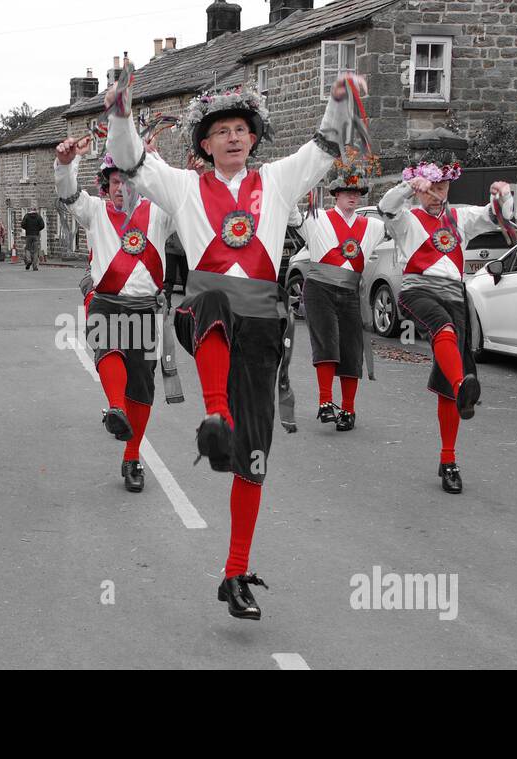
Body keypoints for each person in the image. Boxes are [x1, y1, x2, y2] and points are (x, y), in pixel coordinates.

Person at [105, 69, 360, 620]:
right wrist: (120, 114)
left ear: (254, 136)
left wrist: (339, 100)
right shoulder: (183, 186)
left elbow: (325, 145)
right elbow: (131, 161)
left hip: (264, 324)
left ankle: (235, 573)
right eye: (222, 130)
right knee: (214, 303)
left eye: (242, 128)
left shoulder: (280, 180)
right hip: (205, 313)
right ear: (204, 142)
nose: (234, 137)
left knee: (255, 455)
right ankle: (214, 416)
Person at [377, 154, 513, 495]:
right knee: (443, 331)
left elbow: (495, 216)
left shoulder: (460, 217)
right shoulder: (407, 219)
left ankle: (448, 459)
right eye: (430, 186)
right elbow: (386, 204)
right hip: (417, 288)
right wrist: (410, 186)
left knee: (448, 385)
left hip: (455, 294)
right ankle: (461, 383)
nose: (436, 192)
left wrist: (501, 195)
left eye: (442, 185)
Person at [56, 137, 174, 492]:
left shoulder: (159, 213)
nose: (122, 188)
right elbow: (67, 191)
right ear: (105, 186)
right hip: (107, 302)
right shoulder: (94, 210)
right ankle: (114, 407)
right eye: (115, 182)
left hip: (145, 308)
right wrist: (65, 163)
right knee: (107, 350)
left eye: (129, 180)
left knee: (142, 386)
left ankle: (131, 456)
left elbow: (183, 195)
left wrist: (157, 160)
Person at [294, 155, 386, 431]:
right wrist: (302, 180)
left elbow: (395, 217)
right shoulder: (316, 217)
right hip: (319, 289)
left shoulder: (373, 226)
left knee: (350, 349)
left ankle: (348, 409)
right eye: (347, 192)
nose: (352, 197)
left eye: (356, 192)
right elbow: (290, 213)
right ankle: (325, 402)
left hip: (349, 291)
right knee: (326, 343)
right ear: (335, 194)